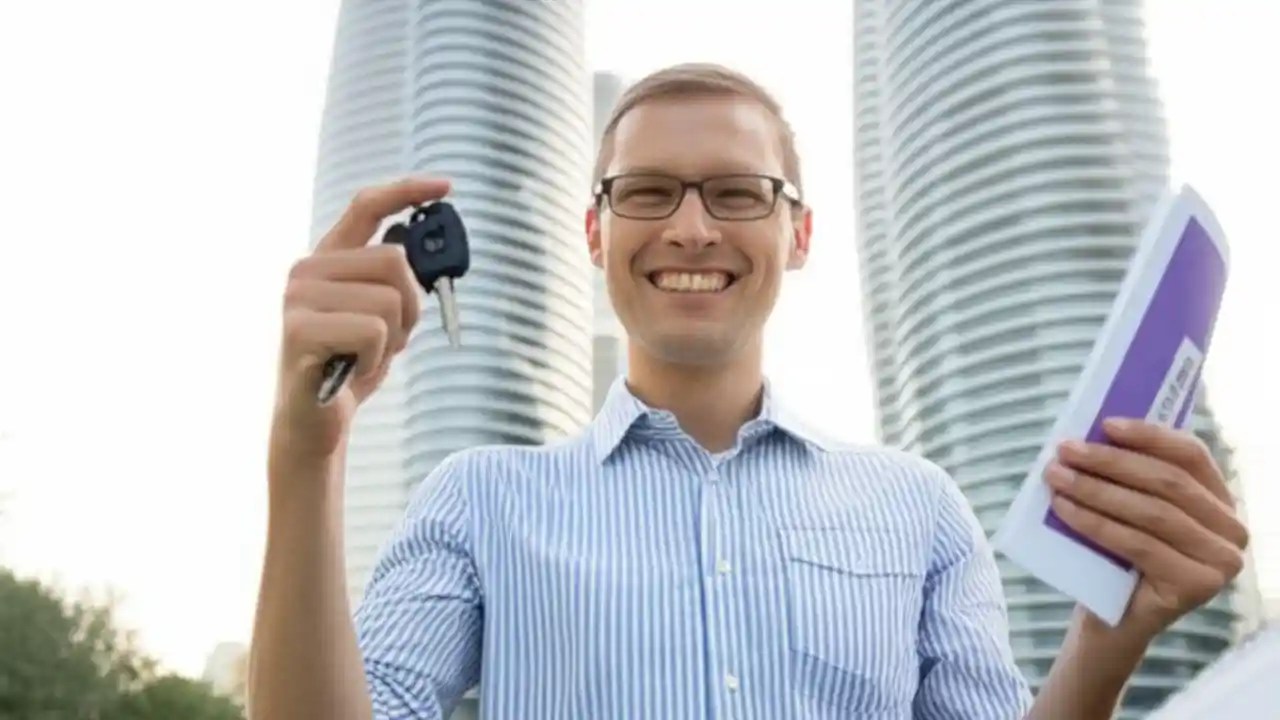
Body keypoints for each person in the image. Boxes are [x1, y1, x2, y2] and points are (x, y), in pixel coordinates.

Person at [247, 63, 1250, 720]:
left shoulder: (918, 508)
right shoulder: (477, 498)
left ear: (796, 234)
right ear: (595, 233)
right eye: (646, 192)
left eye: (736, 194)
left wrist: (1104, 647)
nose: (690, 229)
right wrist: (306, 454)